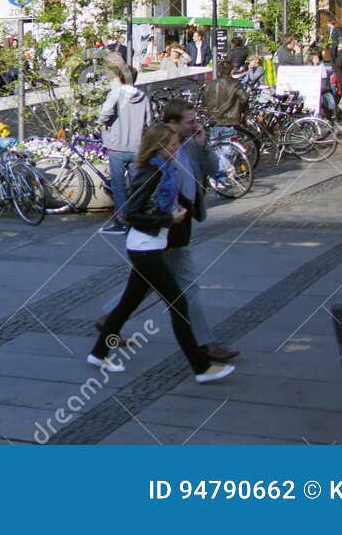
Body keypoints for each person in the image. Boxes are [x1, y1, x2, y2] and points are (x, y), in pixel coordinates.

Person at [87, 124, 235, 384]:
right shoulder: (151, 171)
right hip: (145, 248)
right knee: (178, 306)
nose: (178, 149)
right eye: (174, 145)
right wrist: (168, 218)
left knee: (126, 306)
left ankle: (99, 353)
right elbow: (130, 213)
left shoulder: (162, 168)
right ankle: (201, 368)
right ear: (161, 146)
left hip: (151, 246)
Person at [97, 63, 150, 234]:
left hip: (117, 146)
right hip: (137, 146)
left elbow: (105, 112)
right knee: (136, 185)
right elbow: (149, 123)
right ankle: (138, 218)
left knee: (118, 186)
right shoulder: (143, 97)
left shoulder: (117, 93)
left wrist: (103, 123)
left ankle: (121, 220)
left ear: (120, 78)